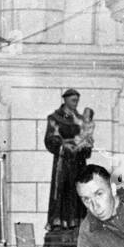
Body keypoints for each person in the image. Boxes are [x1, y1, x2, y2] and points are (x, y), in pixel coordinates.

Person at [44, 88, 91, 229]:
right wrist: (63, 145)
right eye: (73, 100)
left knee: (78, 190)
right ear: (65, 99)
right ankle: (60, 223)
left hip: (78, 162)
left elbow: (86, 138)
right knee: (63, 190)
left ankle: (77, 224)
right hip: (63, 161)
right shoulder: (55, 118)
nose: (76, 103)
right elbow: (50, 139)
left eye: (77, 100)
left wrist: (85, 146)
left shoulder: (80, 120)